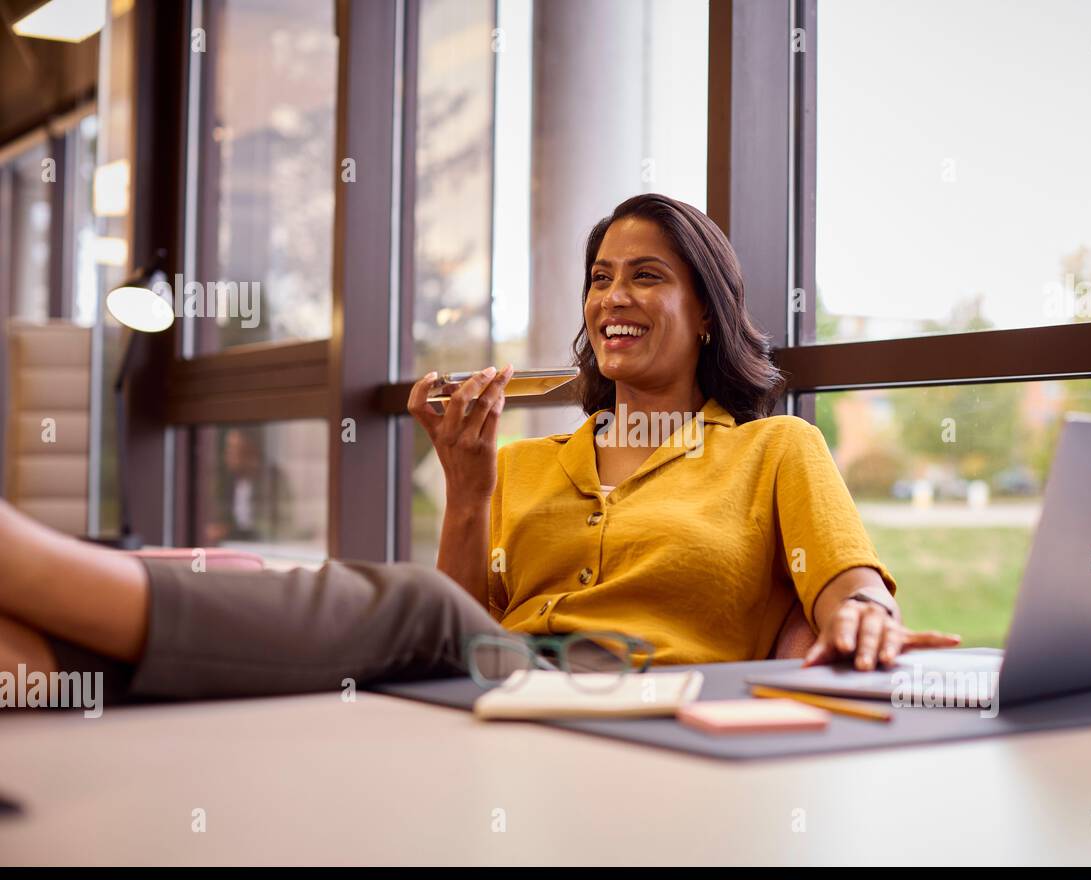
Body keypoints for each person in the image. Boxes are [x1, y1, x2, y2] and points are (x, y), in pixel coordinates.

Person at [0, 193, 958, 706]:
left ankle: (30, 562)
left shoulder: (776, 449)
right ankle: (38, 655)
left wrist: (863, 613)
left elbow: (847, 583)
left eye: (646, 277)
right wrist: (466, 489)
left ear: (706, 312)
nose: (613, 298)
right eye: (599, 278)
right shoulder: (529, 463)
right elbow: (463, 633)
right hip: (498, 689)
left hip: (630, 695)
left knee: (404, 597)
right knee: (41, 658)